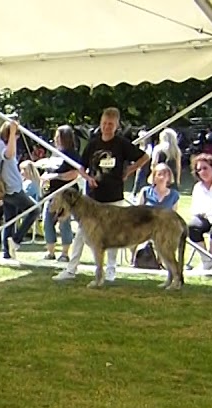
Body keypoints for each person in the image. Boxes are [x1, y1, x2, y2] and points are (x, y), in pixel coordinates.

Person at [55, 108, 149, 282]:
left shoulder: (122, 144)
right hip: (92, 199)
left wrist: (130, 170)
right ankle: (71, 269)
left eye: (111, 124)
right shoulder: (93, 143)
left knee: (114, 233)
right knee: (81, 233)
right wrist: (88, 178)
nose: (107, 127)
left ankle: (111, 270)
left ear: (117, 125)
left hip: (114, 196)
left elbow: (144, 157)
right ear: (100, 123)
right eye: (104, 123)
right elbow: (81, 167)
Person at [0, 119, 33, 260]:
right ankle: (16, 240)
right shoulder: (0, 145)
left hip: (8, 187)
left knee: (10, 220)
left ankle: (6, 252)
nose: (17, 139)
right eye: (16, 136)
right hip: (12, 188)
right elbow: (9, 154)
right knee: (34, 210)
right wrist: (13, 132)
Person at [39, 125, 83, 262]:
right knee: (47, 221)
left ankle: (65, 253)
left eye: (58, 137)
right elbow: (49, 171)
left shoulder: (72, 155)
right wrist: (45, 180)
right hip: (51, 193)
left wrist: (56, 176)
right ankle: (50, 251)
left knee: (64, 222)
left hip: (66, 194)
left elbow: (74, 174)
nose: (55, 139)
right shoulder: (54, 154)